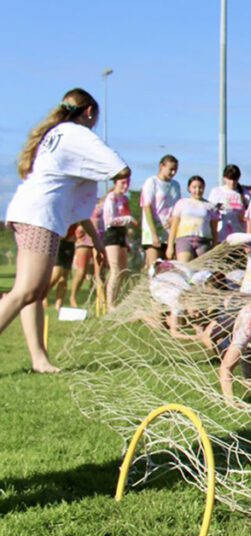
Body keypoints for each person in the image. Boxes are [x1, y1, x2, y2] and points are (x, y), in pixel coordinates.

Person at [1, 88, 128, 372]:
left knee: (33, 292)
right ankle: (39, 359)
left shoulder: (55, 133)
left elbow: (76, 205)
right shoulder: (76, 133)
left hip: (28, 212)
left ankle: (39, 359)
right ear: (89, 112)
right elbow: (120, 168)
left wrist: (96, 240)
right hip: (39, 216)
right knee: (26, 290)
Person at [101, 172, 137, 306]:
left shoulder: (125, 199)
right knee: (115, 269)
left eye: (128, 183)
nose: (125, 186)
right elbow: (109, 220)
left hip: (122, 234)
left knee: (123, 270)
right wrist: (128, 219)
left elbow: (126, 217)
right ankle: (110, 304)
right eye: (123, 183)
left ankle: (116, 300)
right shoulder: (111, 197)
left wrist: (127, 239)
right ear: (116, 183)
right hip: (112, 234)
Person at [166, 175, 220, 262]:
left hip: (203, 241)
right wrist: (170, 246)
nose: (197, 190)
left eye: (200, 187)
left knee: (202, 269)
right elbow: (174, 226)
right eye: (194, 187)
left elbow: (214, 230)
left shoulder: (210, 206)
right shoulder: (182, 203)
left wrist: (214, 246)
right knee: (185, 267)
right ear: (189, 188)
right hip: (184, 239)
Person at [140, 155, 181, 270]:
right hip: (154, 232)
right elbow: (147, 207)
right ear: (161, 166)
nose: (173, 173)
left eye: (175, 170)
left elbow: (178, 207)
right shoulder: (152, 182)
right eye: (170, 169)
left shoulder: (176, 185)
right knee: (154, 268)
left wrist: (174, 219)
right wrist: (154, 234)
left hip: (170, 233)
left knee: (169, 270)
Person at [69, 198, 105, 309]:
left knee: (99, 273)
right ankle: (73, 297)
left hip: (97, 239)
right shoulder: (82, 202)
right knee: (81, 271)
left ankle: (102, 301)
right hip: (84, 239)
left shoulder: (101, 205)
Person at [207, 164, 249, 241]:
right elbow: (210, 211)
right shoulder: (216, 191)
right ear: (224, 178)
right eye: (229, 179)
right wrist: (218, 208)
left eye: (235, 179)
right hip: (221, 236)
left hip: (239, 236)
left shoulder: (245, 193)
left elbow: (250, 213)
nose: (232, 182)